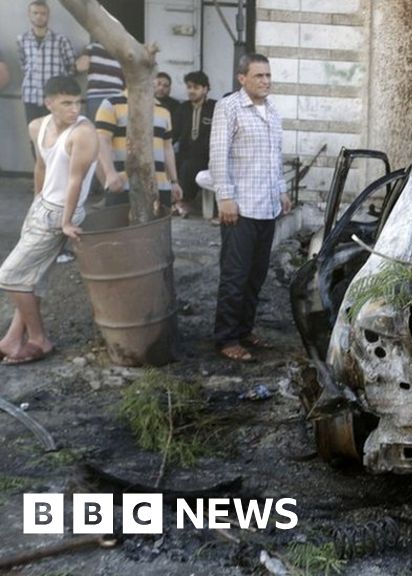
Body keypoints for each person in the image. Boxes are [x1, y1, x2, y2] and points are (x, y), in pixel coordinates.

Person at [0, 76, 97, 365]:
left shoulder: (83, 132)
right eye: (66, 103)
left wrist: (66, 222)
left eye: (77, 102)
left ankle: (39, 340)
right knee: (32, 276)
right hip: (42, 206)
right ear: (49, 102)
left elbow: (75, 181)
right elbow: (41, 166)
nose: (74, 109)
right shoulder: (37, 126)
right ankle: (11, 340)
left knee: (9, 276)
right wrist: (36, 200)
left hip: (61, 212)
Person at [210, 53, 290, 362]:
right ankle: (226, 338)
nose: (266, 81)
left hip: (267, 207)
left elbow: (275, 158)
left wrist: (282, 191)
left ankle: (244, 331)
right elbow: (219, 156)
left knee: (256, 276)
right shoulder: (228, 108)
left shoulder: (272, 111)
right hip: (240, 208)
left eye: (268, 75)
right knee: (235, 275)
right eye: (259, 76)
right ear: (242, 78)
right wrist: (225, 197)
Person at [94, 89, 183, 210]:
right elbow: (102, 140)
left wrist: (174, 182)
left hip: (160, 186)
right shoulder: (111, 104)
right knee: (122, 227)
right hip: (123, 184)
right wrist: (110, 174)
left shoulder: (163, 110)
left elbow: (167, 148)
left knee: (158, 228)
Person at [16, 0, 75, 124]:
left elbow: (71, 67)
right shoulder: (22, 40)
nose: (39, 16)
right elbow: (23, 64)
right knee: (34, 136)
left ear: (48, 15)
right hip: (31, 95)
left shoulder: (61, 40)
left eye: (43, 13)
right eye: (35, 13)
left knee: (55, 136)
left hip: (55, 97)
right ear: (29, 14)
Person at [173, 70, 216, 217]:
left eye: (196, 87)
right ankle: (171, 203)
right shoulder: (182, 108)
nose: (191, 91)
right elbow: (173, 134)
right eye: (189, 87)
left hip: (207, 157)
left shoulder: (214, 108)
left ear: (205, 89)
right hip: (185, 154)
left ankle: (184, 202)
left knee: (188, 167)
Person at [75, 41, 124, 122]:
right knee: (116, 131)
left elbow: (81, 66)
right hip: (117, 97)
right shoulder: (122, 51)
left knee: (96, 130)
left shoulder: (93, 47)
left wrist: (80, 58)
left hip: (96, 97)